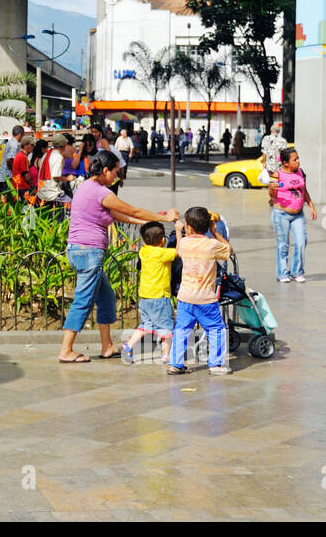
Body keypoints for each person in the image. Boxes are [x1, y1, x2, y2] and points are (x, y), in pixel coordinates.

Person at [59, 149, 178, 362]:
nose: (117, 176)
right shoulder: (101, 193)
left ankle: (107, 346)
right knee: (82, 302)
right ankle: (66, 350)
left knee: (105, 298)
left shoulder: (87, 188)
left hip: (81, 251)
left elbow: (119, 215)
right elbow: (133, 211)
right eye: (115, 172)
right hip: (89, 253)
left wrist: (151, 222)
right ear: (105, 170)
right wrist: (166, 217)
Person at [166, 207, 233, 375]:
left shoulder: (186, 243)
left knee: (181, 330)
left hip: (185, 297)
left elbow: (180, 248)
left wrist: (178, 231)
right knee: (216, 329)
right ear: (208, 226)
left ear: (189, 227)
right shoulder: (212, 245)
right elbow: (229, 250)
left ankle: (175, 364)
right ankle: (216, 364)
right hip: (206, 299)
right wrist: (215, 232)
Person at [120, 221, 177, 365]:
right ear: (163, 240)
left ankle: (128, 347)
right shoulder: (162, 253)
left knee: (146, 325)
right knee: (166, 329)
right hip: (159, 298)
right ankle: (166, 356)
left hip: (145, 298)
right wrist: (178, 232)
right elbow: (179, 251)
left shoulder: (143, 251)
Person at [268, 146, 315, 282]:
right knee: (283, 245)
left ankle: (297, 272)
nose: (298, 161)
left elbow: (303, 190)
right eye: (295, 160)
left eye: (298, 158)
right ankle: (282, 273)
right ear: (285, 163)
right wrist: (272, 188)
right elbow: (271, 196)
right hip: (281, 214)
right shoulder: (276, 175)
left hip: (298, 214)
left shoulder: (300, 172)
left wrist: (311, 206)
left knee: (301, 242)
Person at [37, 134, 73, 207]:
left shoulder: (46, 154)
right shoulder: (58, 157)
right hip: (52, 194)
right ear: (64, 145)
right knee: (72, 203)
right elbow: (55, 176)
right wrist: (68, 178)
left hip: (42, 191)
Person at [0, 125, 25, 193]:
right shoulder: (15, 144)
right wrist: (14, 172)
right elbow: (9, 159)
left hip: (4, 176)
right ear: (20, 134)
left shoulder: (10, 142)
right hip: (8, 176)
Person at [11, 134, 37, 199]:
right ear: (25, 145)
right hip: (22, 186)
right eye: (31, 145)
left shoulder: (19, 155)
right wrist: (33, 186)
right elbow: (26, 176)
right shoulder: (23, 157)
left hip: (18, 186)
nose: (33, 147)